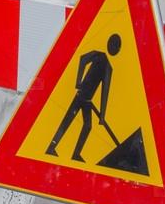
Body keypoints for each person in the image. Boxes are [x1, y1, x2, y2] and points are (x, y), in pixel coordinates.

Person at [46, 34, 122, 162]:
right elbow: (82, 59)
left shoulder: (108, 67)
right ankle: (51, 147)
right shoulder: (99, 56)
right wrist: (78, 81)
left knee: (87, 126)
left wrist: (103, 116)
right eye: (115, 46)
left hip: (87, 101)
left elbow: (105, 93)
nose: (115, 48)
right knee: (67, 122)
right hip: (80, 97)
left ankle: (76, 154)